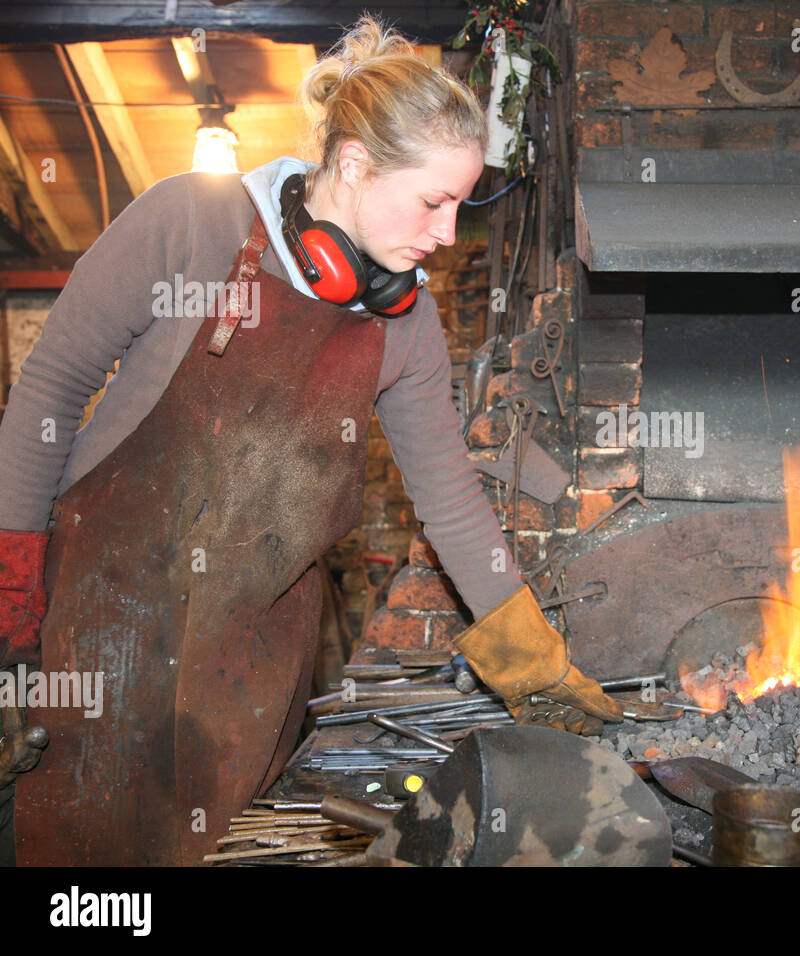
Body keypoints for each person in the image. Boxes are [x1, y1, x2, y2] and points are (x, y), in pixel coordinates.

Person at [0, 15, 620, 866]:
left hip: (250, 659)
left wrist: (530, 656)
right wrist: (11, 605)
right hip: (98, 619)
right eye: (434, 202)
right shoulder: (190, 224)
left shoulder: (406, 323)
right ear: (357, 164)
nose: (446, 236)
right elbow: (48, 393)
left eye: (459, 207)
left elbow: (448, 494)